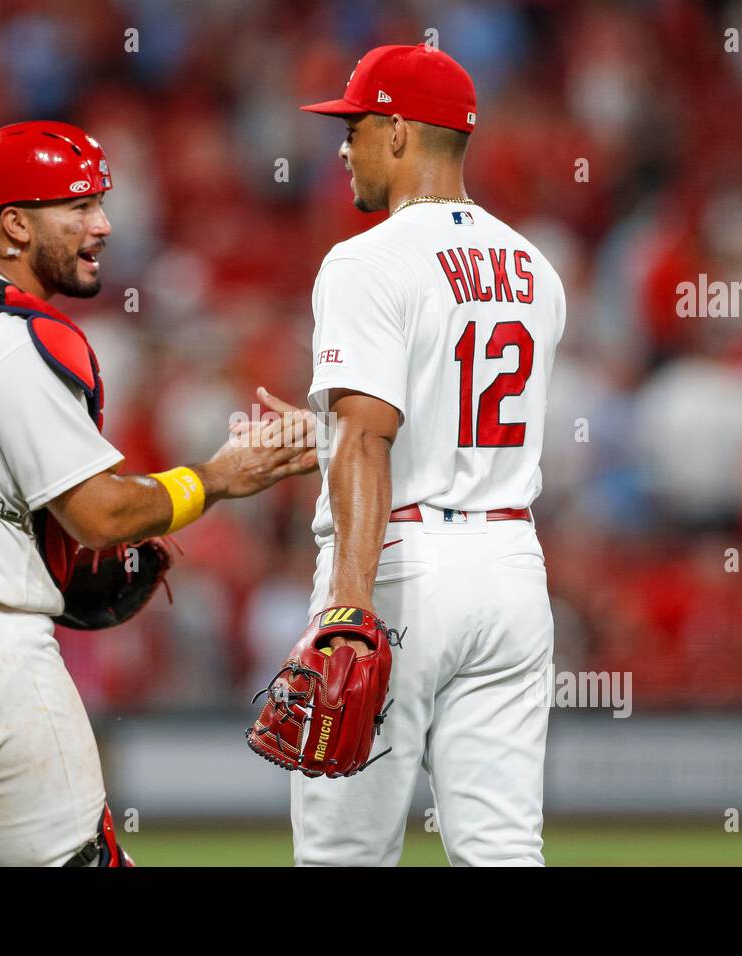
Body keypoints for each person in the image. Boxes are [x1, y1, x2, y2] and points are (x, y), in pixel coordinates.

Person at [0, 121, 313, 866]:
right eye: (76, 207)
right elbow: (101, 516)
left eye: (99, 204)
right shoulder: (24, 339)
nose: (102, 225)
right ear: (13, 223)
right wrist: (213, 479)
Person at [265, 43, 566, 866]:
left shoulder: (366, 259)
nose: (343, 147)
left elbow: (369, 438)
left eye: (355, 125)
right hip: (510, 561)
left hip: (399, 563)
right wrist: (321, 430)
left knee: (345, 854)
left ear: (397, 132)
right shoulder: (536, 267)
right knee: (504, 849)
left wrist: (347, 615)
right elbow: (439, 405)